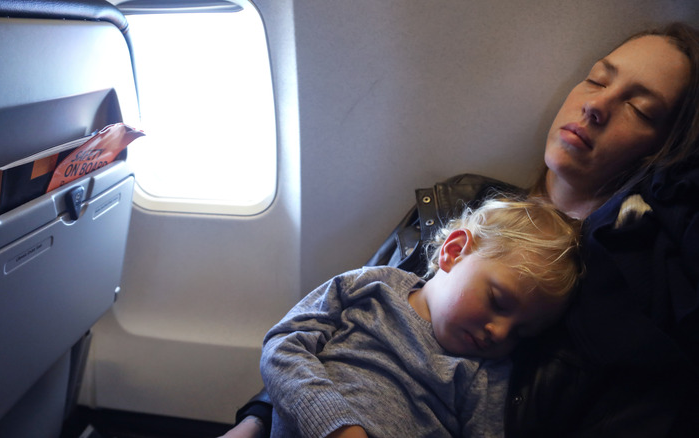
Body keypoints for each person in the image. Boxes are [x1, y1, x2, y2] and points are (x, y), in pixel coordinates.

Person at [222, 21, 699, 438]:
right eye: (597, 79)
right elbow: (338, 333)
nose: (597, 105)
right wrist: (255, 422)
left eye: (639, 109)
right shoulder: (458, 203)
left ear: (664, 150)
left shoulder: (622, 282)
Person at [262, 198, 581, 438]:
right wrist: (334, 424)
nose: (499, 333)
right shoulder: (372, 285)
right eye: (498, 301)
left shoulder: (483, 374)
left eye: (520, 333)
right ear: (454, 252)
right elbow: (283, 348)